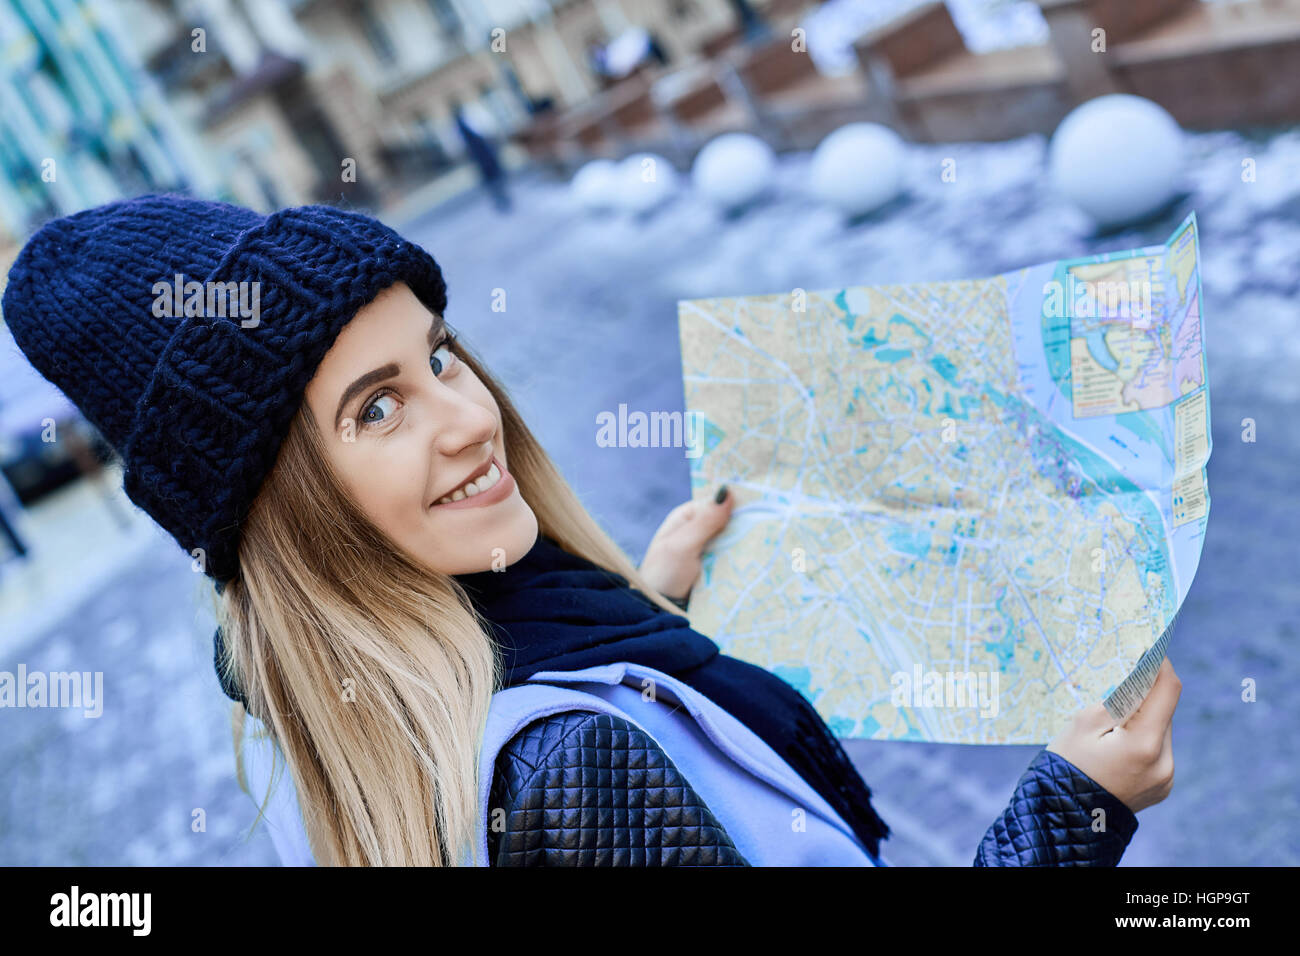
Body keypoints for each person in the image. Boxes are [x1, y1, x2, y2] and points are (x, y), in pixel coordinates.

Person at [2, 195, 1181, 866]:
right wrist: (1077, 805)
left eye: (438, 353)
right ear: (285, 518)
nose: (468, 418)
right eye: (375, 408)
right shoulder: (570, 769)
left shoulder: (336, 712)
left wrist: (648, 611)